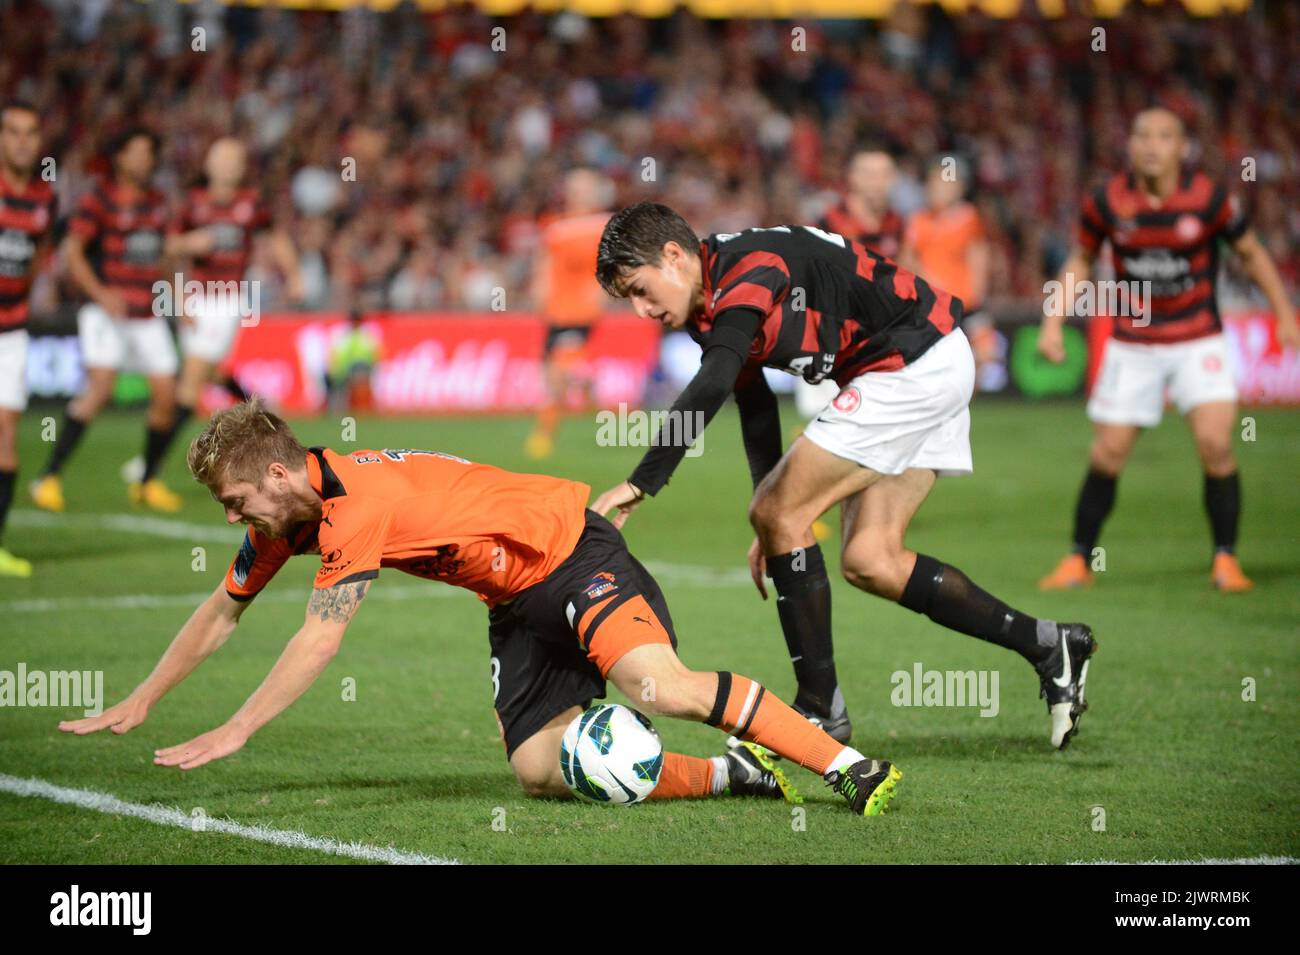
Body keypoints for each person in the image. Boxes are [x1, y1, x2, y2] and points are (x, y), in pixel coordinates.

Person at [59, 398, 904, 817]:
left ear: (278, 476)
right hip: (513, 599)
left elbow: (320, 641)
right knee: (540, 771)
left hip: (572, 552)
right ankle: (739, 771)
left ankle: (846, 764)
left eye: (238, 500)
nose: (235, 518)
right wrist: (143, 697)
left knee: (661, 688)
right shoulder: (292, 516)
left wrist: (237, 729)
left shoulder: (356, 503)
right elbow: (221, 610)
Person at [591, 202, 1095, 750]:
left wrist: (644, 479)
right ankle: (1049, 643)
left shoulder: (748, 267)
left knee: (782, 513)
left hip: (909, 365)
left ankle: (818, 713)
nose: (640, 310)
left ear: (673, 256)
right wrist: (772, 515)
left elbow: (712, 382)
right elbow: (753, 402)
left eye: (640, 289)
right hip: (926, 358)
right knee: (870, 560)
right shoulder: (709, 297)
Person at [1037, 107, 1299, 593]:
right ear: (1130, 146)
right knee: (1108, 453)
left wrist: (1284, 313)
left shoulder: (1208, 199)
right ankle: (1079, 559)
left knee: (1216, 446)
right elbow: (1080, 257)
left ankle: (1225, 561)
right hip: (1133, 344)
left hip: (1198, 339)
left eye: (1164, 136)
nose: (1152, 145)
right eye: (1142, 136)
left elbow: (1252, 252)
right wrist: (1053, 321)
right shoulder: (1107, 201)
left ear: (1182, 149)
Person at [121, 136, 302, 485]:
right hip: (196, 297)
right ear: (209, 165)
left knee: (188, 388)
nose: (229, 165)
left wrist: (293, 274)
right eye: (222, 158)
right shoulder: (193, 204)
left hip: (228, 300)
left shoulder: (252, 203)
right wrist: (179, 288)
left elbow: (276, 236)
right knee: (208, 375)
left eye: (235, 159)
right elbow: (166, 249)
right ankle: (260, 410)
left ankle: (148, 468)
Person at [30, 127, 183, 513]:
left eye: (149, 152)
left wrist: (177, 297)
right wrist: (100, 294)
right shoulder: (97, 198)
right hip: (105, 310)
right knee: (100, 388)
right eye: (136, 152)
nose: (143, 160)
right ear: (119, 157)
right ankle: (48, 476)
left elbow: (160, 255)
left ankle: (146, 480)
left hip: (146, 312)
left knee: (167, 394)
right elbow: (72, 253)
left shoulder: (157, 201)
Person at [0, 100, 58, 577]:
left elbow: (39, 256)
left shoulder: (43, 198)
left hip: (12, 328)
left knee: (5, 437)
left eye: (29, 133)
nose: (21, 141)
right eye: (12, 132)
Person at [524, 168, 611, 460]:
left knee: (558, 373)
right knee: (552, 376)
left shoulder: (604, 224)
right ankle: (587, 385)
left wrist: (604, 290)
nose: (578, 192)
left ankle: (542, 437)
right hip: (555, 312)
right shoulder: (556, 227)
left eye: (584, 186)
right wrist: (539, 291)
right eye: (574, 186)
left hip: (581, 312)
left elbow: (614, 263)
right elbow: (545, 264)